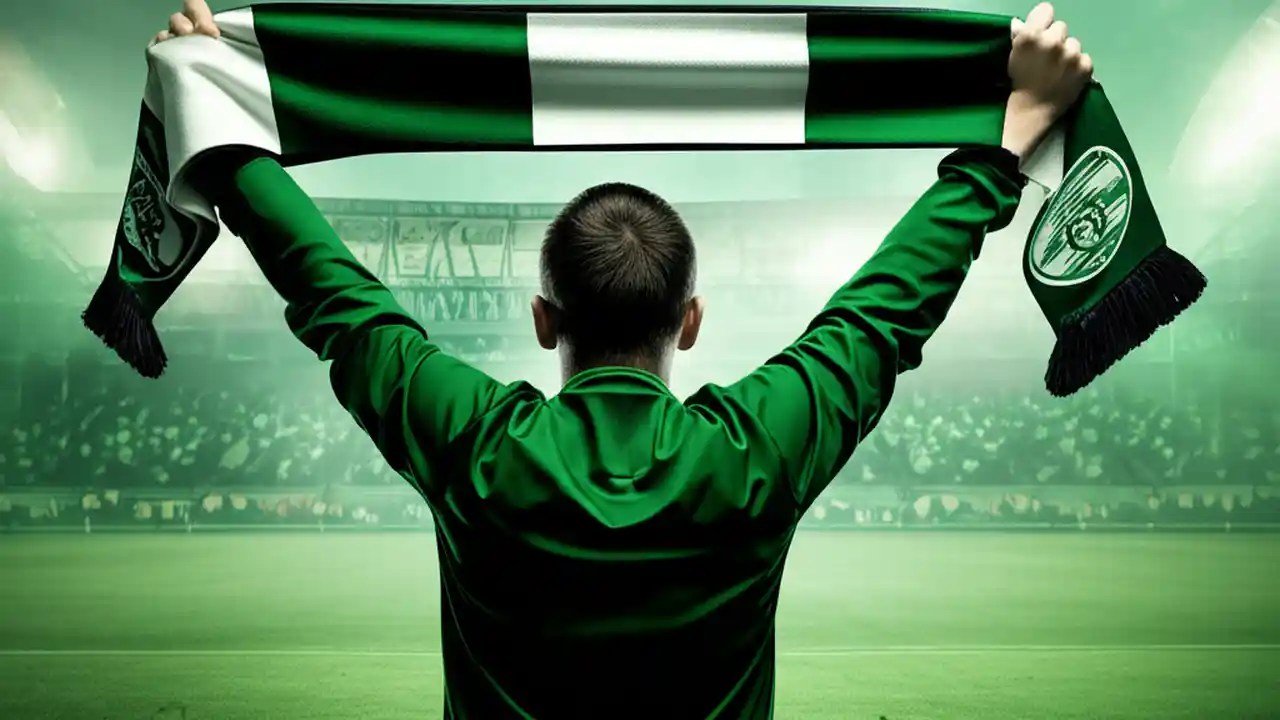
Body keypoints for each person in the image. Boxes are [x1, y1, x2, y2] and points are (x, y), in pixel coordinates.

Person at [155, 2, 1093, 717]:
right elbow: (880, 317)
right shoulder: (750, 456)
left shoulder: (480, 451)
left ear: (541, 318)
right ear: (689, 321)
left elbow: (334, 298)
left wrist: (217, 124)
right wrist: (1006, 143)